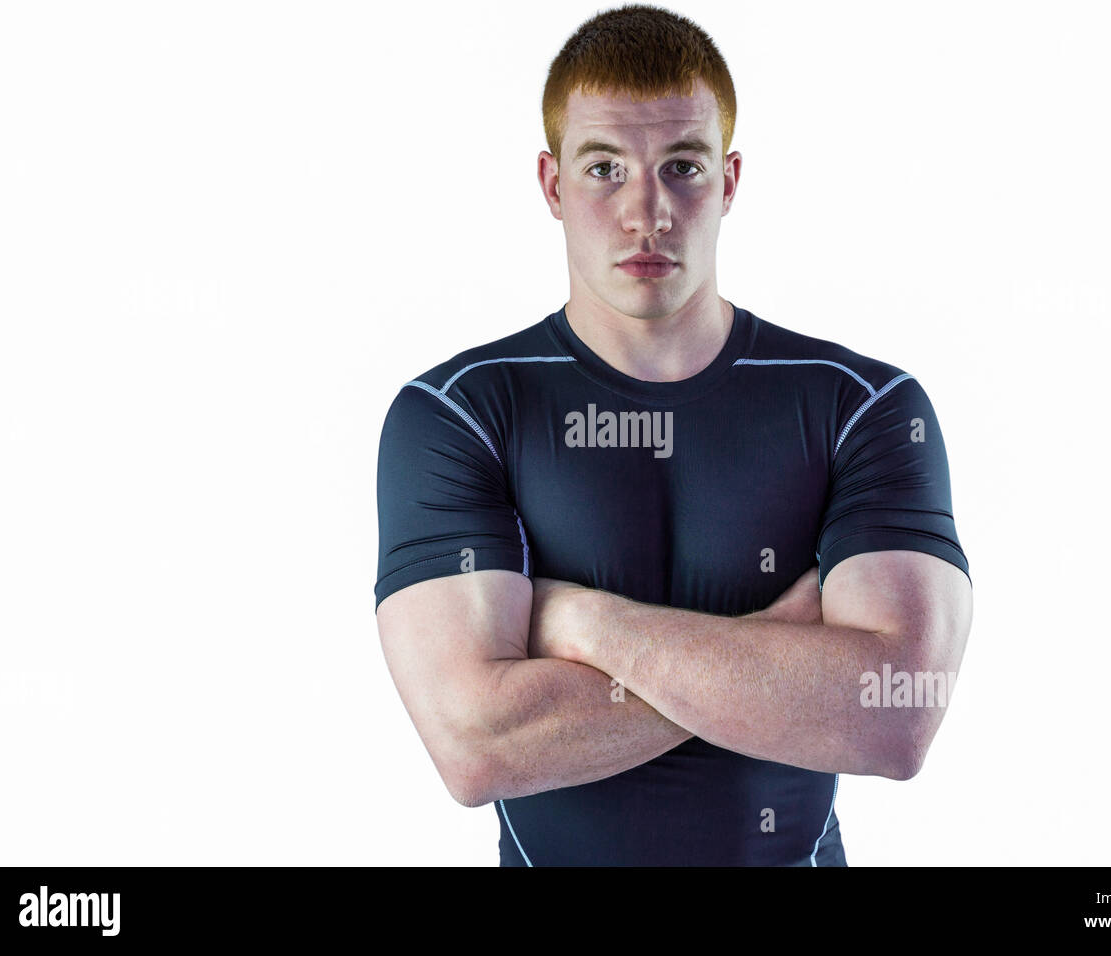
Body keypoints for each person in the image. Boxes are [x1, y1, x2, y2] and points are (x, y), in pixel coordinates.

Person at [374, 3, 973, 866]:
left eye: (683, 167)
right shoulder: (461, 413)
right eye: (605, 167)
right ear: (551, 185)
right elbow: (477, 747)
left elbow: (895, 714)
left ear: (730, 181)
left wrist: (583, 620)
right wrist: (780, 655)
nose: (646, 210)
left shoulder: (864, 406)